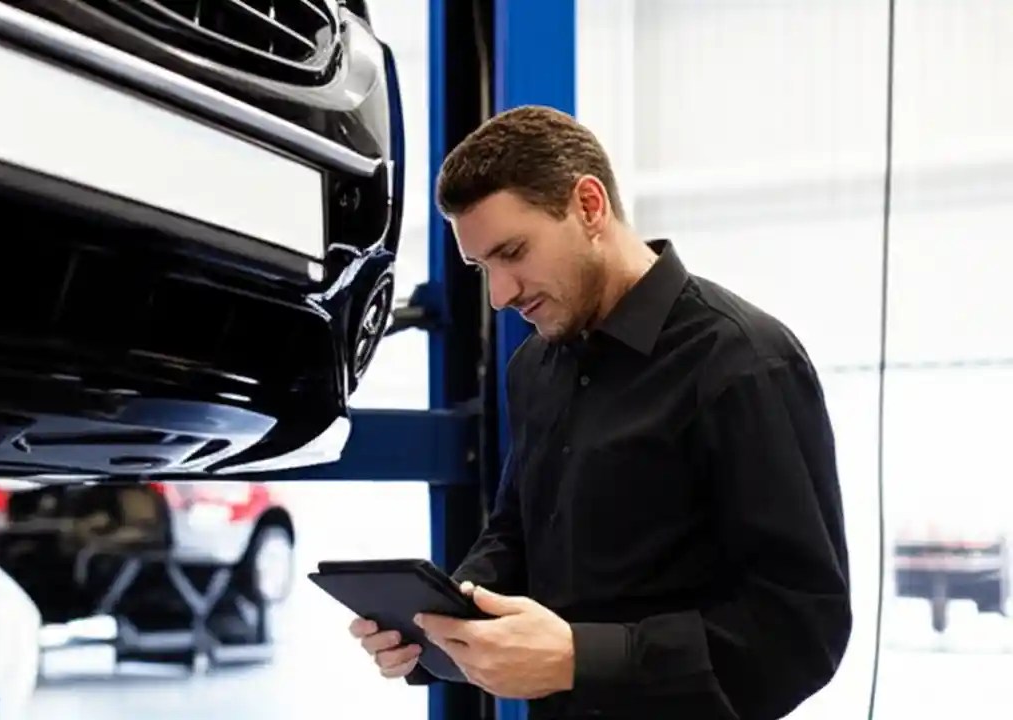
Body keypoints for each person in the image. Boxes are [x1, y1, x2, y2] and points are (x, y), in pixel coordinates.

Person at [348, 106, 852, 720]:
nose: (501, 295)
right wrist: (440, 621)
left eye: (513, 252)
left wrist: (579, 658)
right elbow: (517, 535)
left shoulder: (744, 362)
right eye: (483, 269)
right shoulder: (534, 367)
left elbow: (801, 632)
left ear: (589, 206)